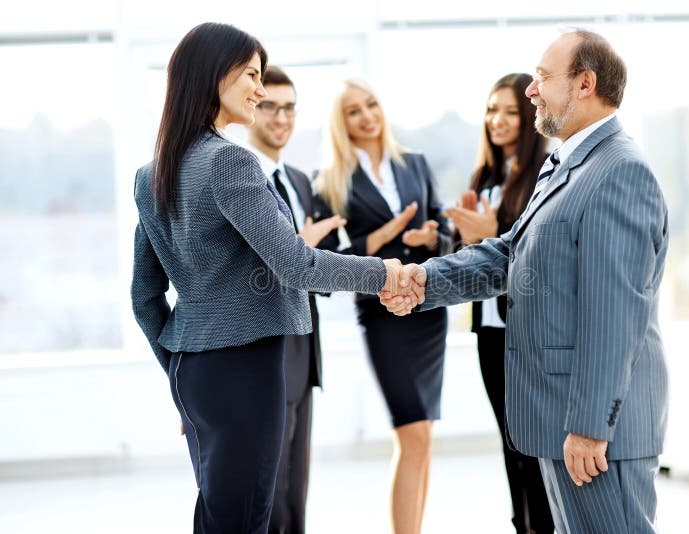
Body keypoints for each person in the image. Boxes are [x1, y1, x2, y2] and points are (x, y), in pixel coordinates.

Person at [131, 23, 417, 533]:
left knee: (219, 515)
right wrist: (385, 272)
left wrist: (178, 371)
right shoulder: (231, 163)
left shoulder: (154, 172)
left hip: (194, 373)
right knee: (243, 521)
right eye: (251, 75)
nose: (260, 91)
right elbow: (296, 264)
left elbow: (144, 296)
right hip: (244, 370)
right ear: (214, 74)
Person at [382, 29, 669, 533]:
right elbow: (510, 254)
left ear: (584, 83)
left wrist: (588, 428)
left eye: (541, 77)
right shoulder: (568, 166)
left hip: (593, 435)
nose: (531, 90)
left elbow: (614, 316)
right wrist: (425, 280)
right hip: (561, 423)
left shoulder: (619, 171)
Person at [312, 78, 450, 534]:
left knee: (423, 436)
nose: (366, 115)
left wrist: (430, 236)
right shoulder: (330, 182)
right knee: (410, 432)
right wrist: (384, 237)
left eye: (371, 104)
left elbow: (447, 230)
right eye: (353, 110)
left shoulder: (415, 163)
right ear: (341, 122)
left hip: (429, 310)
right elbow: (322, 263)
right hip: (382, 314)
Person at [448, 73, 554, 534]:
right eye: (492, 110)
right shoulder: (484, 179)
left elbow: (542, 263)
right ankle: (522, 525)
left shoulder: (546, 176)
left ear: (531, 117)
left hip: (528, 333)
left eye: (511, 111)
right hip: (489, 331)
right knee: (510, 442)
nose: (499, 120)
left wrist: (489, 236)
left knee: (534, 446)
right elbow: (469, 260)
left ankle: (542, 526)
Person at [242, 66, 345, 534]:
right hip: (261, 347)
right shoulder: (240, 179)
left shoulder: (302, 181)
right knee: (265, 480)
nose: (281, 118)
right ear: (251, 109)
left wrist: (318, 254)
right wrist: (295, 252)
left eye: (289, 107)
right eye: (269, 107)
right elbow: (239, 273)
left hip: (302, 349)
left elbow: (314, 271)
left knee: (295, 481)